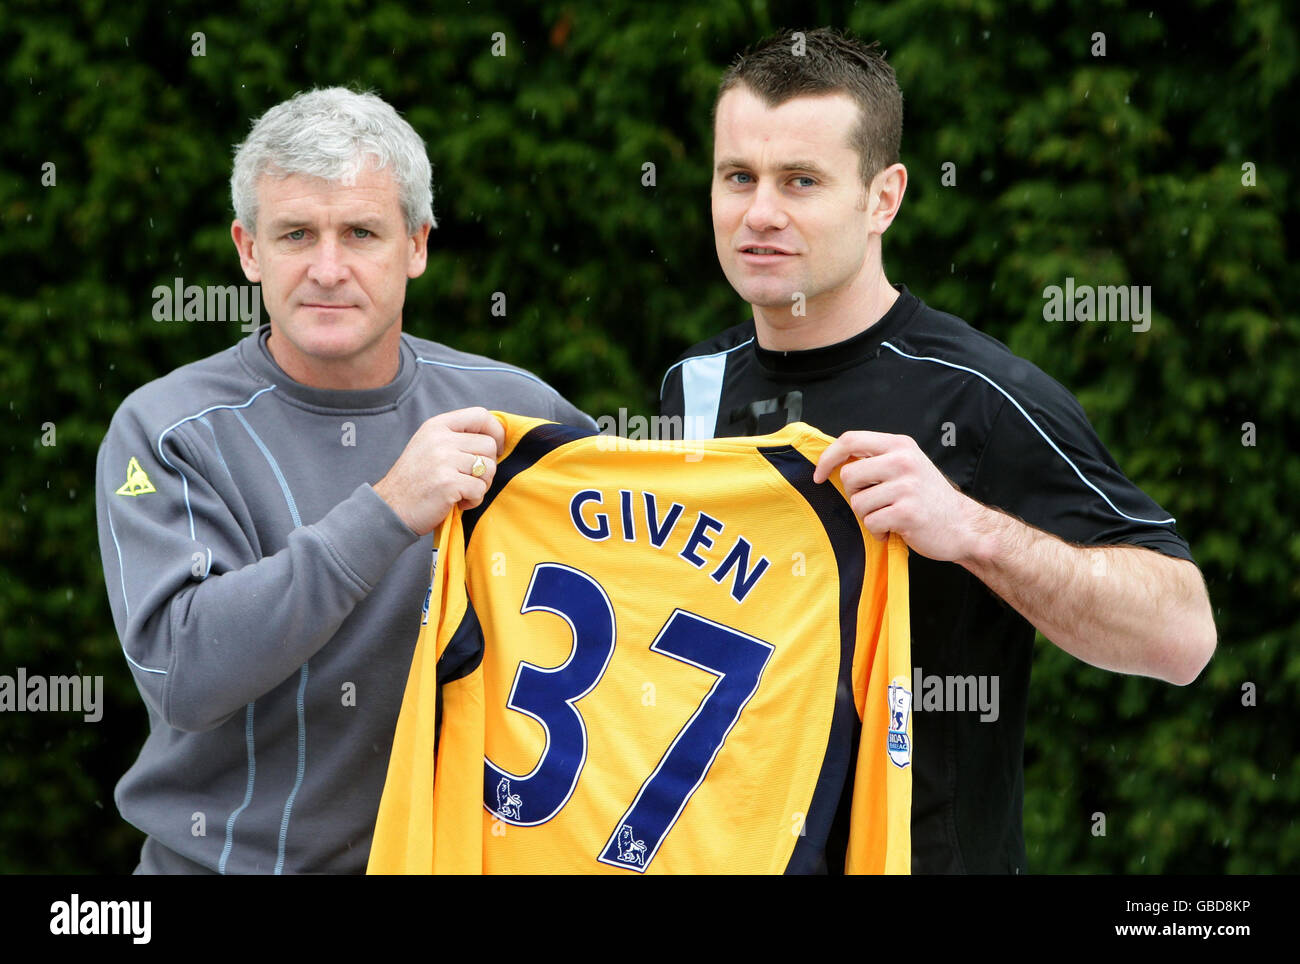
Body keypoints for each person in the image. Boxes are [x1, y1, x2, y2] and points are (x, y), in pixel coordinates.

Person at [659, 28, 1217, 874]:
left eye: (801, 181)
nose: (759, 212)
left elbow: (1182, 634)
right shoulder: (690, 387)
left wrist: (973, 531)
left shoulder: (979, 396)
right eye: (738, 176)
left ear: (884, 198)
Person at [94, 87, 593, 874]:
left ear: (417, 245)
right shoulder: (167, 430)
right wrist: (390, 509)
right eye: (296, 234)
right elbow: (183, 674)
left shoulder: (520, 412)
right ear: (248, 250)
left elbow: (659, 579)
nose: (328, 269)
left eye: (361, 232)